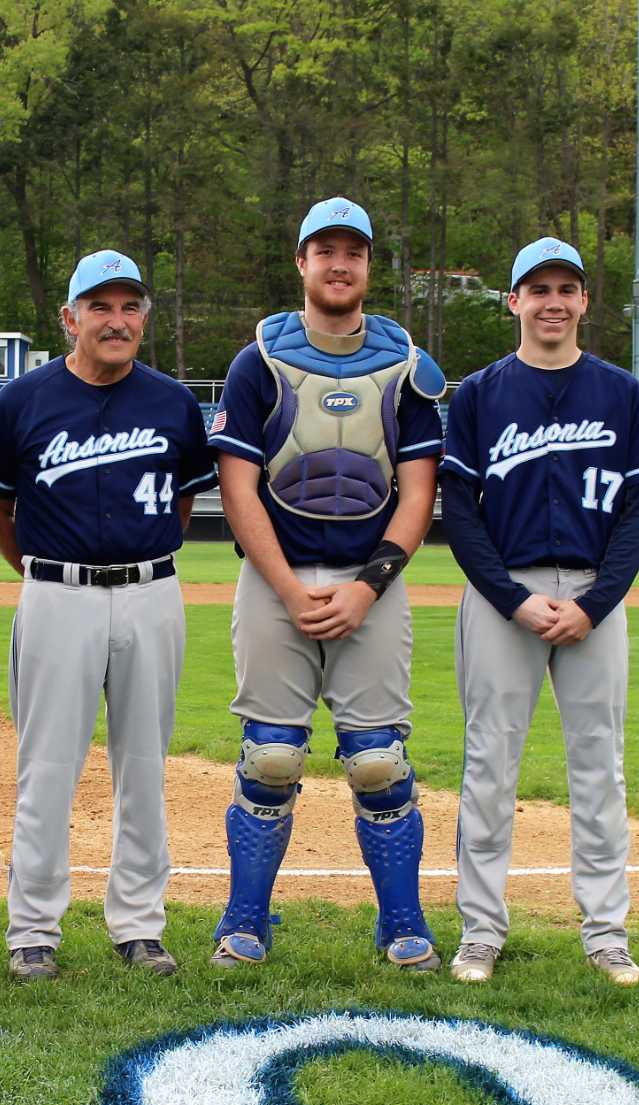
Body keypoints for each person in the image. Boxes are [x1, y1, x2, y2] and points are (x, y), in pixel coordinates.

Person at [205, 197, 445, 970]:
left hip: (369, 582)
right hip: (275, 582)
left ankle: (402, 923)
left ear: (369, 265)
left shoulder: (407, 366)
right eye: (324, 250)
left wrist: (368, 586)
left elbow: (417, 491)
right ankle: (245, 922)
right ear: (301, 262)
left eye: (354, 251)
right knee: (271, 756)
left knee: (378, 759)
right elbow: (237, 486)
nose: (339, 264)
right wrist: (284, 583)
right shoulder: (260, 361)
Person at [0, 251, 215, 981]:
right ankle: (32, 931)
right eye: (100, 306)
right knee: (46, 768)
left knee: (143, 767)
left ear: (144, 316)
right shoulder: (24, 400)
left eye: (130, 306)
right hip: (57, 593)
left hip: (151, 589)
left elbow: (181, 502)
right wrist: (48, 572)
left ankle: (140, 924)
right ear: (69, 317)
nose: (117, 320)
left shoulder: (172, 401)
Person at [438, 237, 639, 987]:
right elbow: (459, 514)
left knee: (600, 769)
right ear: (514, 302)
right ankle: (480, 932)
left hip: (596, 592)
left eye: (566, 288)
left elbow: (637, 511)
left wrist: (595, 604)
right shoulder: (479, 394)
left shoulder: (620, 392)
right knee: (488, 767)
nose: (553, 301)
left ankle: (607, 934)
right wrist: (514, 598)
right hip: (505, 594)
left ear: (585, 302)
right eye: (538, 290)